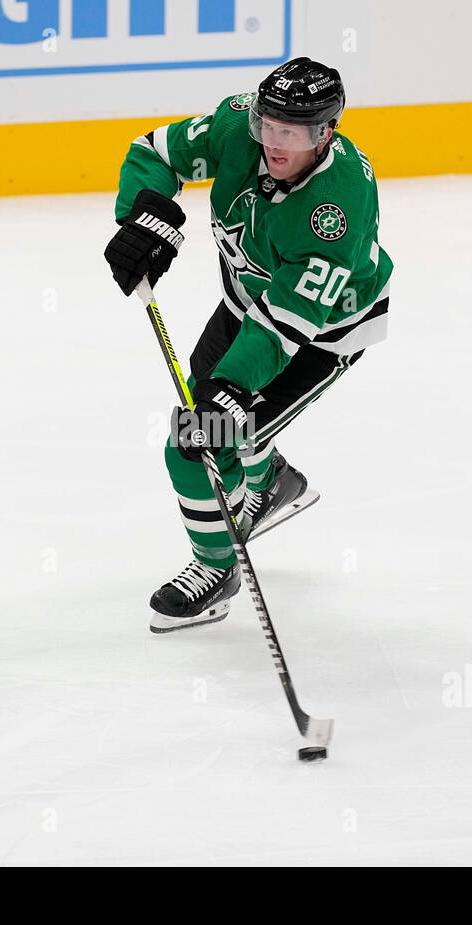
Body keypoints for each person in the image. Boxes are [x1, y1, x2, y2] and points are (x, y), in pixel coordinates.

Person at [104, 57, 393, 634]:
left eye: (291, 133)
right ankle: (270, 481)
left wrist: (233, 384)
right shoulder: (239, 127)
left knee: (196, 440)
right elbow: (155, 152)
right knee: (216, 417)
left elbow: (289, 320)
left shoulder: (337, 209)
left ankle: (217, 567)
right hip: (245, 303)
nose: (272, 143)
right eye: (267, 126)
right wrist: (145, 214)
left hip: (319, 334)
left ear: (325, 132)